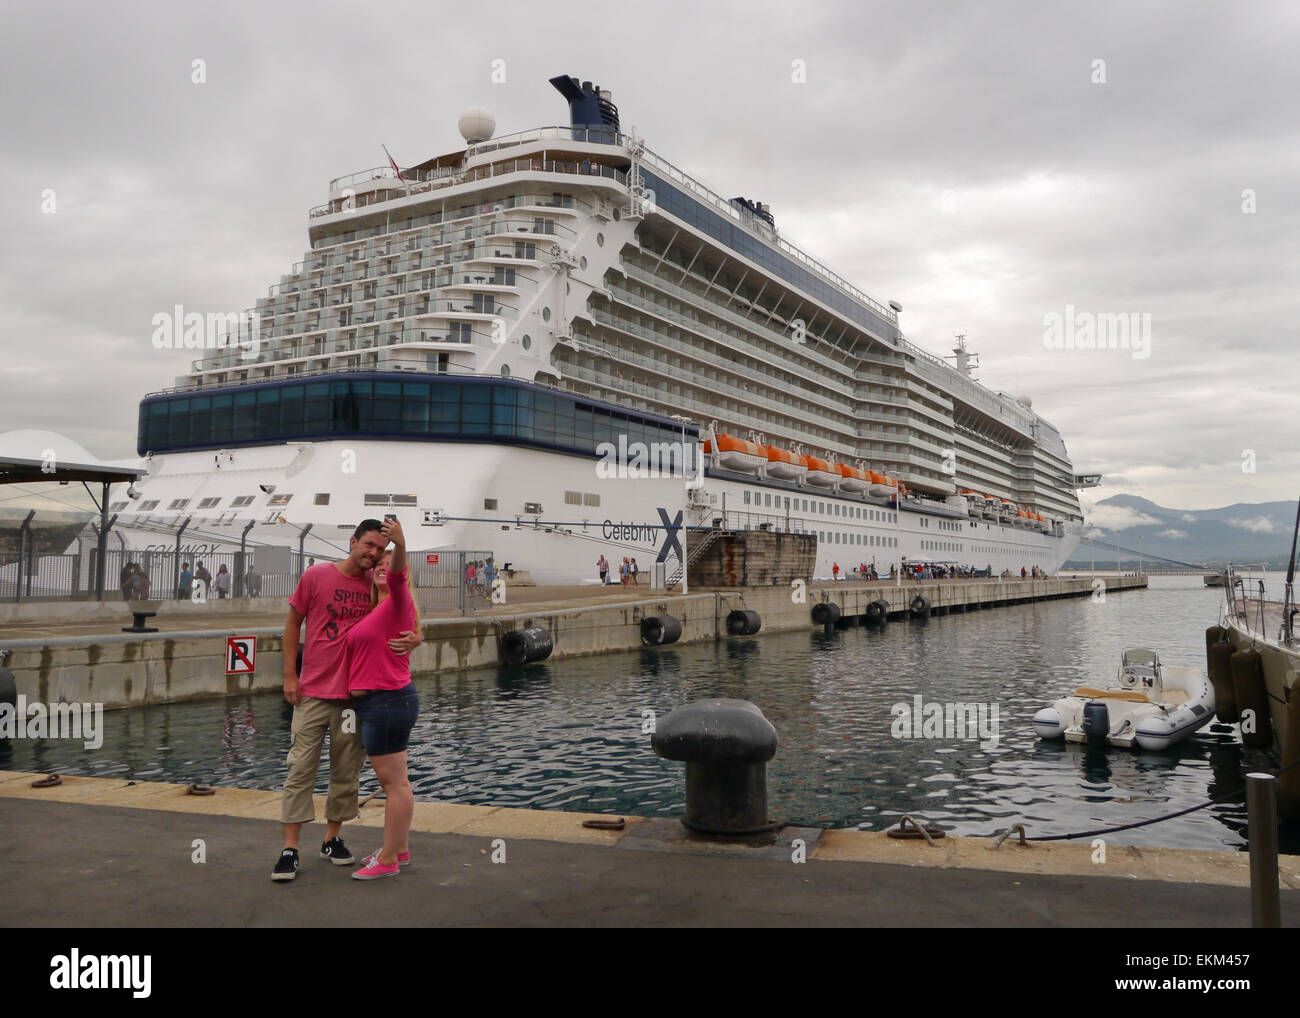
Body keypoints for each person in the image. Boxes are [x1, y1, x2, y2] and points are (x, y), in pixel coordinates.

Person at [273, 519, 423, 883]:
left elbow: (405, 608)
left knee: (345, 772)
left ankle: (332, 838)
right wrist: (290, 674)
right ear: (353, 542)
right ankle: (290, 849)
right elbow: (293, 623)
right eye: (368, 546)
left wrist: (417, 637)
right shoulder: (317, 576)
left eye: (379, 551)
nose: (373, 556)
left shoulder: (378, 587)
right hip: (313, 692)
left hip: (354, 701)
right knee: (300, 770)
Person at [347, 518, 421, 880]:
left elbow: (398, 578)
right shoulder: (379, 610)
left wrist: (401, 545)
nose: (383, 566)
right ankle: (399, 849)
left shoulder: (397, 603)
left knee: (395, 785)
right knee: (398, 780)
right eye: (378, 562)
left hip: (388, 702)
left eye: (388, 562)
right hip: (384, 702)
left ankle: (389, 860)